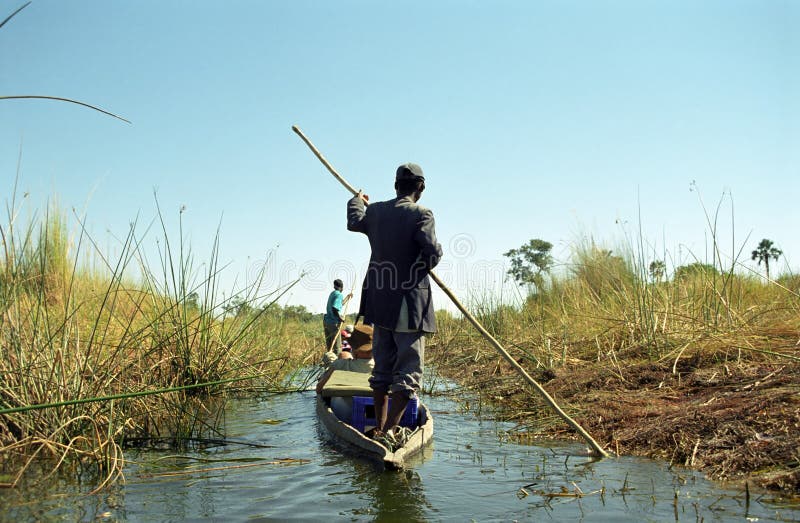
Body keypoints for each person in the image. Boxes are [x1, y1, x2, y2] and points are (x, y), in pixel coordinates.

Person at [346, 162, 442, 447]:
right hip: (408, 303)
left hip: (379, 302)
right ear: (421, 188)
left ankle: (379, 428)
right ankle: (389, 432)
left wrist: (356, 200)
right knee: (409, 370)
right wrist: (420, 266)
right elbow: (432, 252)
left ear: (396, 186)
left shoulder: (375, 211)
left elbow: (355, 220)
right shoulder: (421, 214)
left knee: (382, 368)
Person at [323, 279, 352, 355]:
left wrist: (347, 297)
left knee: (330, 346)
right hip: (334, 323)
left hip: (327, 322)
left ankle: (329, 360)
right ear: (341, 287)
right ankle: (337, 361)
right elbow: (335, 308)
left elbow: (339, 305)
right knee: (337, 347)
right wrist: (340, 318)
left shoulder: (333, 293)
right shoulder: (339, 295)